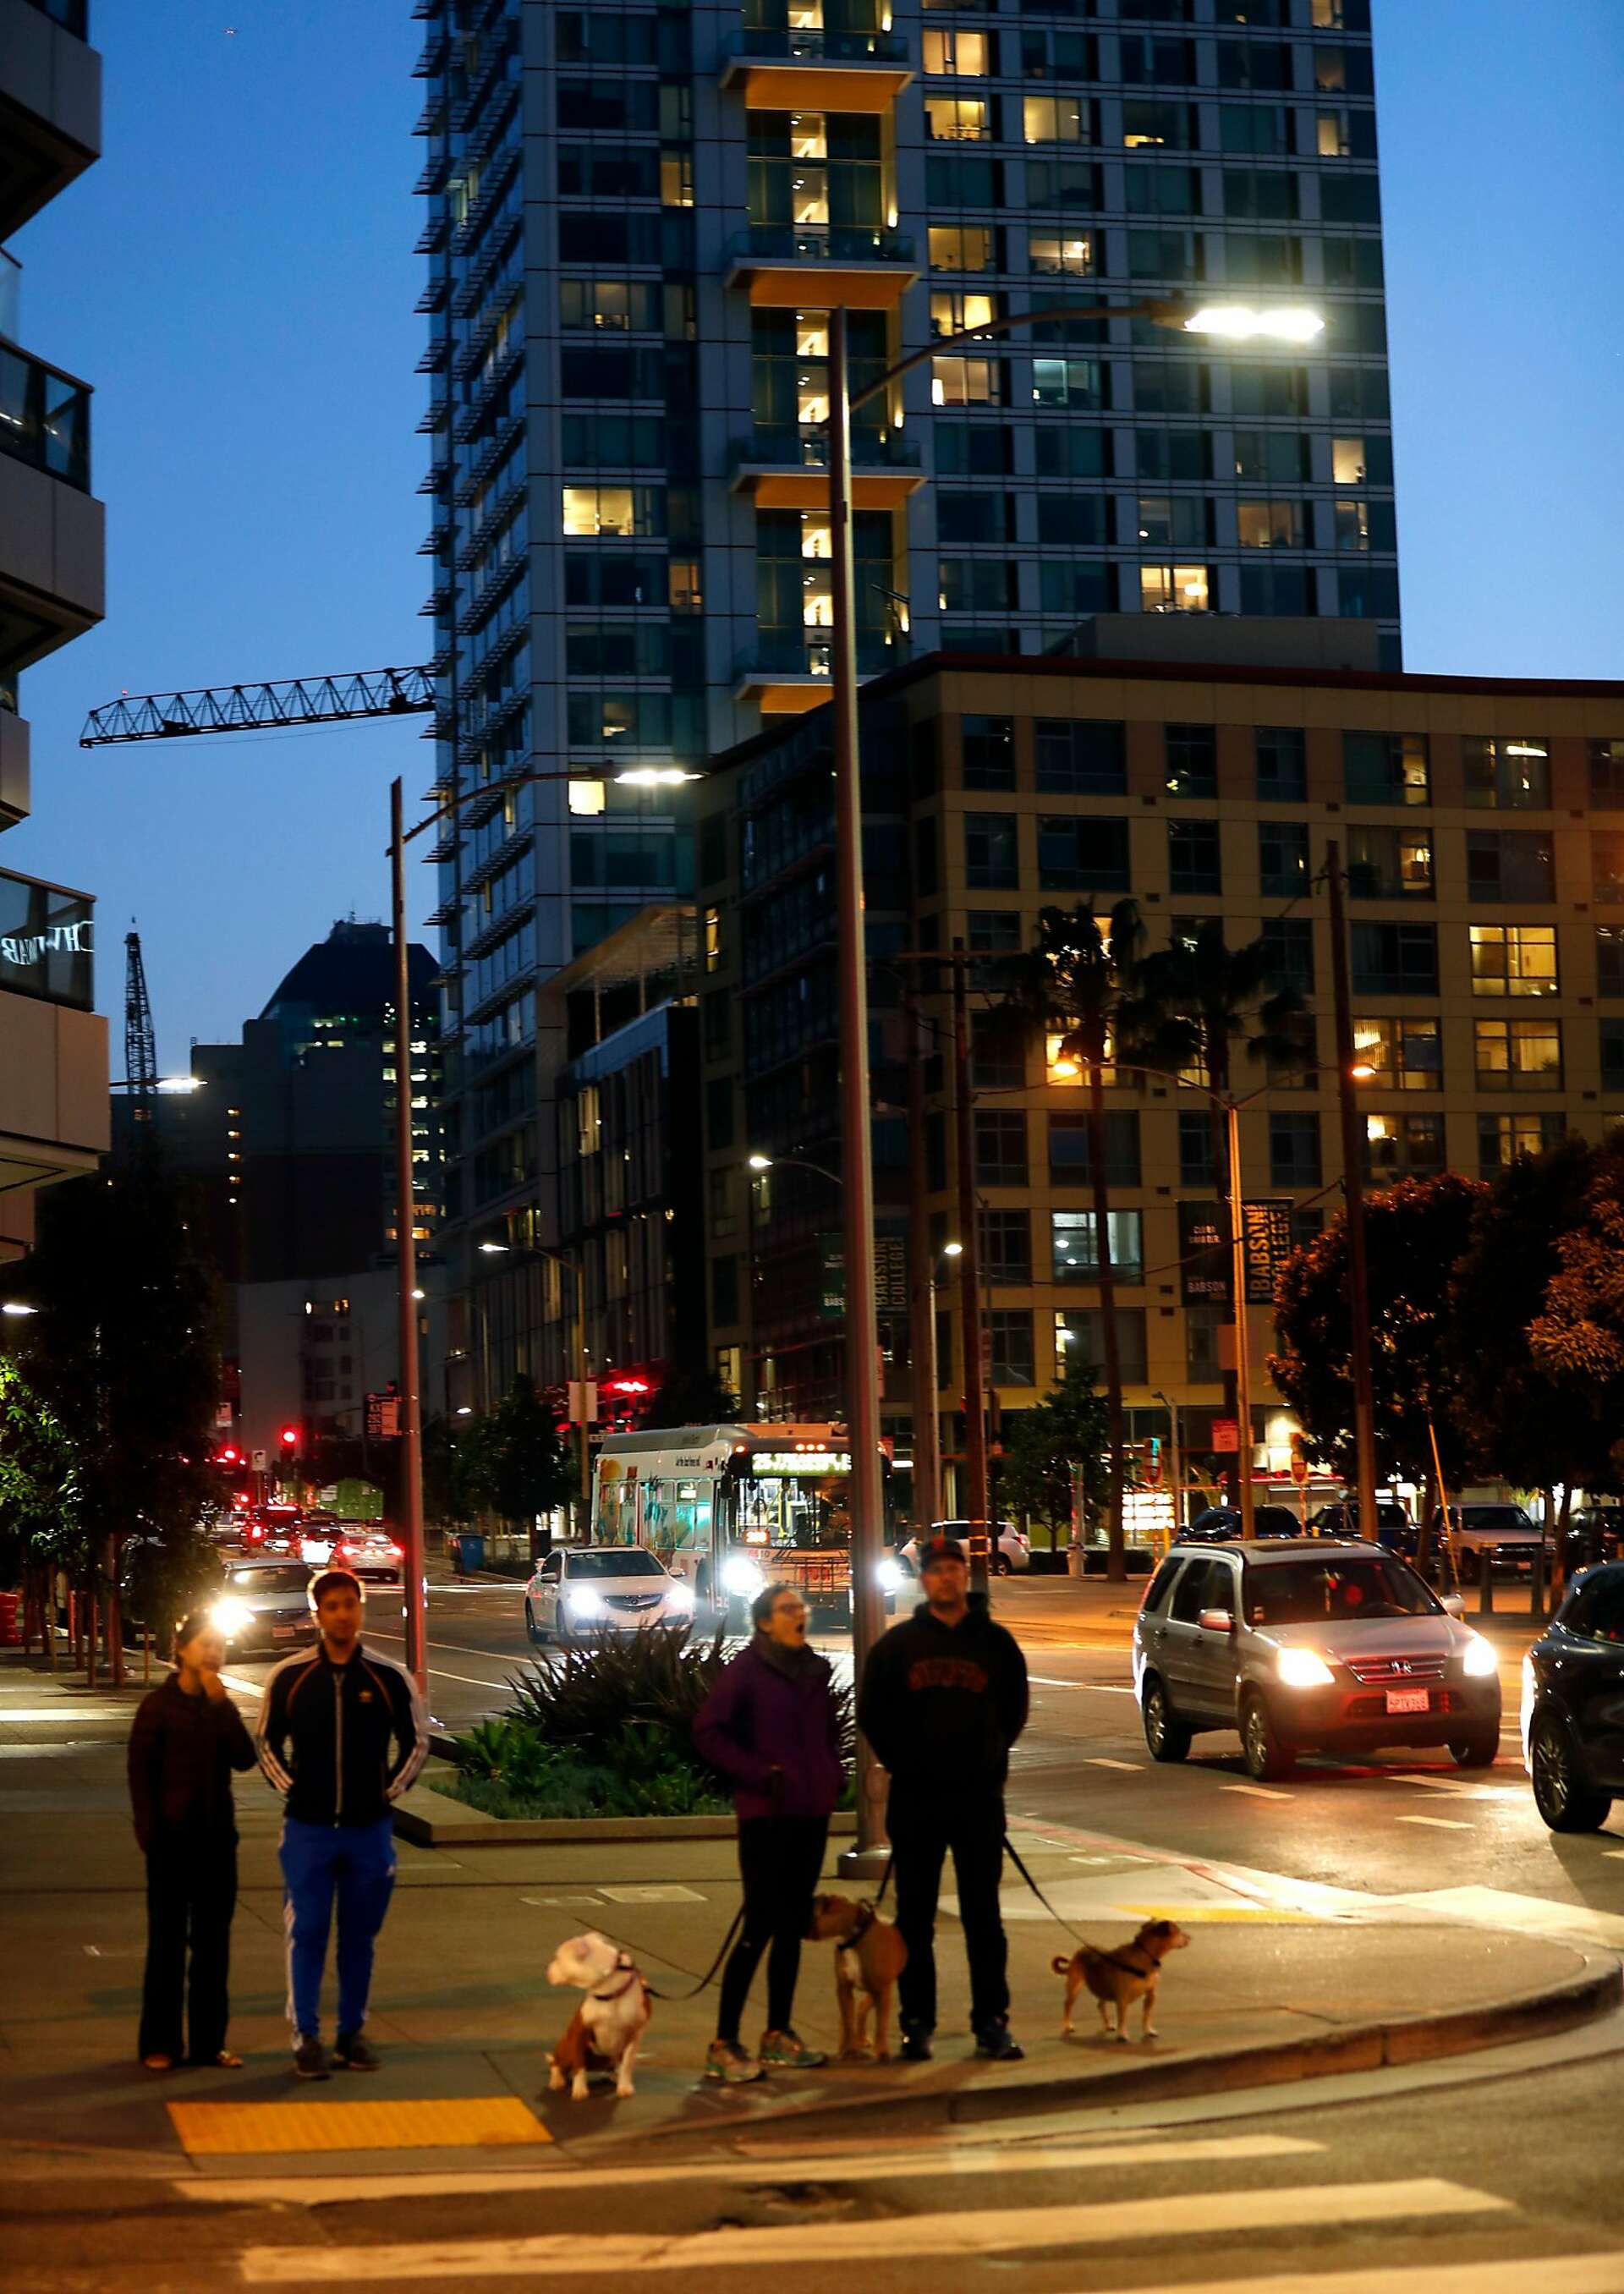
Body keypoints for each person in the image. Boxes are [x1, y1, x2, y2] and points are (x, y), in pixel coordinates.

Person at [857, 1534, 1029, 2063]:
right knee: (915, 1919)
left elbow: (1014, 1710)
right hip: (917, 1802)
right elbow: (874, 1714)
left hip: (978, 1801)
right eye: (935, 1570)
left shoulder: (995, 1644)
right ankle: (917, 2023)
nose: (945, 1577)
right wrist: (904, 1764)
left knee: (984, 1916)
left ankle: (991, 2022)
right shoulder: (898, 1647)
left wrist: (989, 1759)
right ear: (923, 1579)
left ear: (964, 1575)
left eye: (954, 1568)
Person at [255, 1567, 427, 2080]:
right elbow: (266, 1743)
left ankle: (352, 2034)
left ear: (360, 1609)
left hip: (368, 1831)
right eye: (331, 1606)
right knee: (306, 1931)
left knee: (359, 1936)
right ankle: (306, 2036)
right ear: (318, 1615)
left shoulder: (387, 1676)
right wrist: (293, 1788)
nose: (342, 1614)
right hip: (307, 1831)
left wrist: (387, 1792)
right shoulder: (290, 1677)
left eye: (349, 1605)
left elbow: (417, 1742)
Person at [692, 1579, 846, 2082]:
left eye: (799, 1607)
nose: (798, 1614)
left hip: (809, 1811)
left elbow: (827, 1734)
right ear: (763, 1622)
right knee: (758, 1926)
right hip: (767, 1816)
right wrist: (759, 1773)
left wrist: (831, 1776)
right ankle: (725, 2041)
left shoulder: (813, 1671)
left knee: (791, 1929)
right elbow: (708, 1732)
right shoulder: (747, 1673)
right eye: (786, 1609)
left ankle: (778, 2032)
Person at [127, 1611, 257, 2072]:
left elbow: (245, 1759)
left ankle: (208, 2044)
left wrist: (223, 1706)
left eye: (219, 1644)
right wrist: (149, 1833)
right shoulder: (157, 1708)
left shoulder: (219, 1706)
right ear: (181, 1649)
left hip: (217, 1841)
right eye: (205, 1643)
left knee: (212, 1946)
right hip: (169, 1843)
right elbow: (140, 1776)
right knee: (166, 1944)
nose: (213, 1652)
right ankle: (159, 2044)